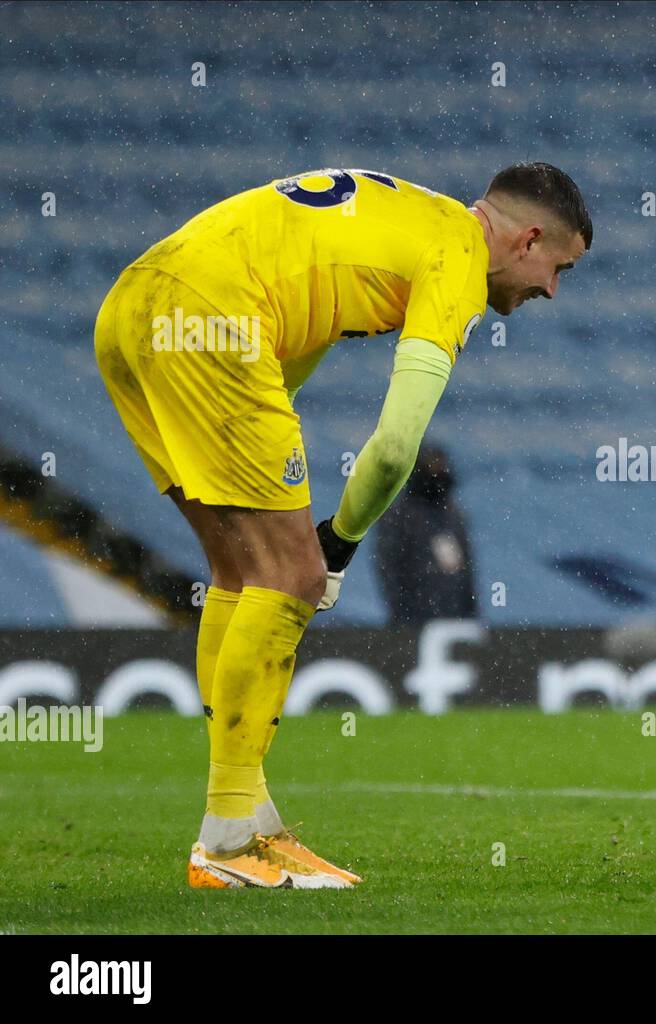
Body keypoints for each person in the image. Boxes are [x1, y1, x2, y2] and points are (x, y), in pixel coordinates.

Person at [94, 163, 591, 888]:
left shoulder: (407, 218)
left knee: (242, 570)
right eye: (559, 269)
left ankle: (247, 818)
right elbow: (394, 449)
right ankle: (227, 841)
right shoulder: (456, 255)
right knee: (291, 574)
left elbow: (303, 319)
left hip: (135, 307)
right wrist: (338, 543)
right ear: (529, 238)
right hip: (216, 317)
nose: (551, 290)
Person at [375, 443, 477, 623]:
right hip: (414, 620)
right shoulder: (399, 516)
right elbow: (389, 570)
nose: (437, 471)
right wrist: (404, 615)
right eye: (431, 466)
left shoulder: (454, 514)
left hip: (455, 618)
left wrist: (471, 615)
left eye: (440, 466)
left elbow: (467, 571)